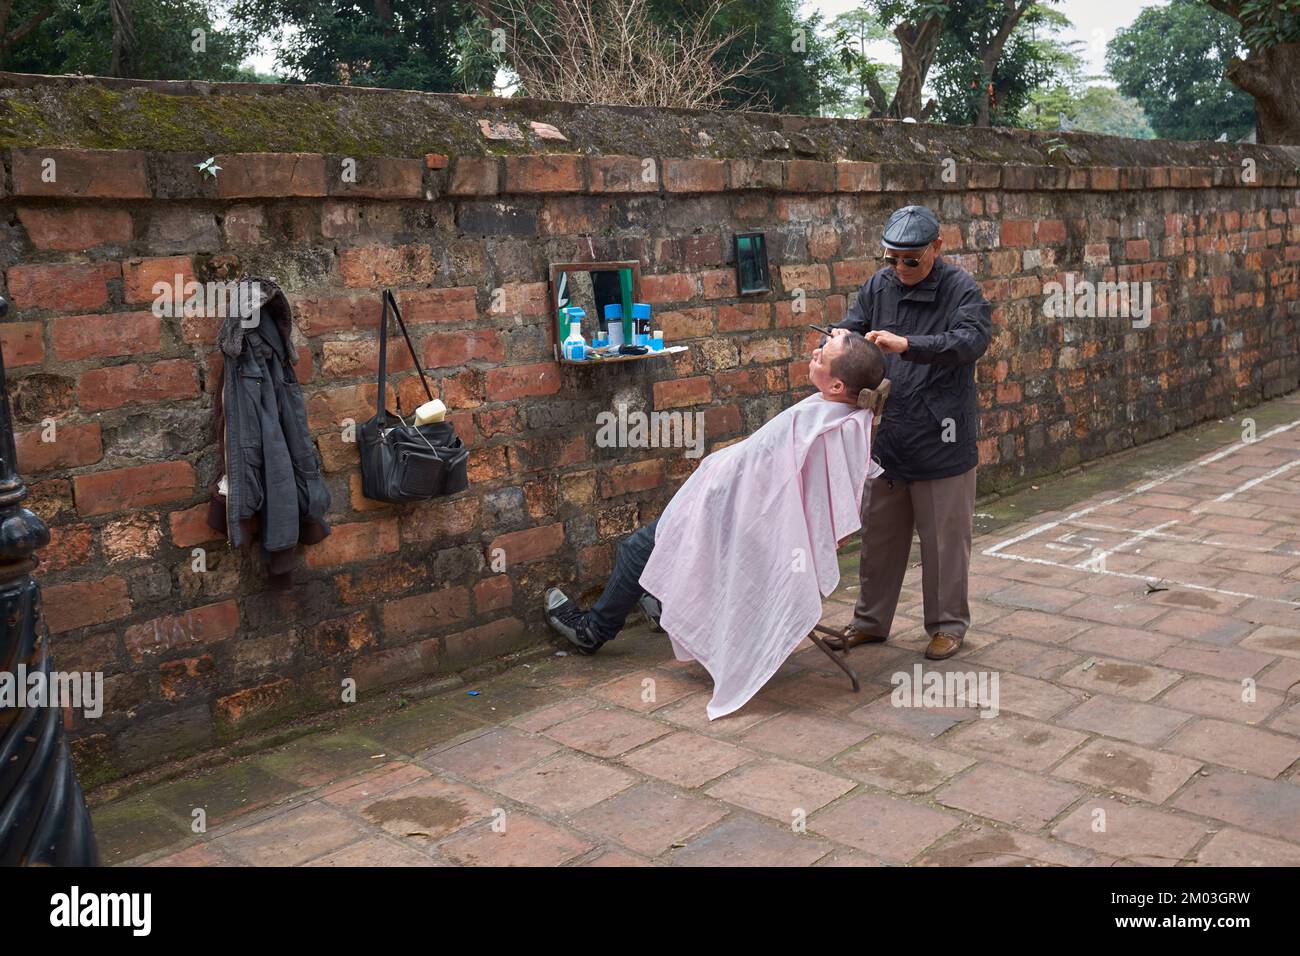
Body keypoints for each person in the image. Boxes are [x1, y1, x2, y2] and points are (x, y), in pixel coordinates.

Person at [544, 333, 887, 717]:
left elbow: (769, 485)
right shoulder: (847, 416)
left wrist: (715, 484)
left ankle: (593, 631)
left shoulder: (820, 424)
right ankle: (662, 601)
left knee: (639, 547)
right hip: (757, 520)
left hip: (750, 524)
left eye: (822, 357)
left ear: (838, 385)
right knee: (666, 542)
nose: (814, 352)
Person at [827, 204, 992, 661]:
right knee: (879, 538)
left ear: (936, 248)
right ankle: (869, 622)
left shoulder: (962, 290)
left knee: (943, 543)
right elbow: (856, 327)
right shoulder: (880, 285)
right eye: (891, 258)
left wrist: (908, 345)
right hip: (890, 435)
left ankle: (947, 626)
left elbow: (969, 342)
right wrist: (840, 339)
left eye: (911, 259)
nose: (899, 268)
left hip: (942, 436)